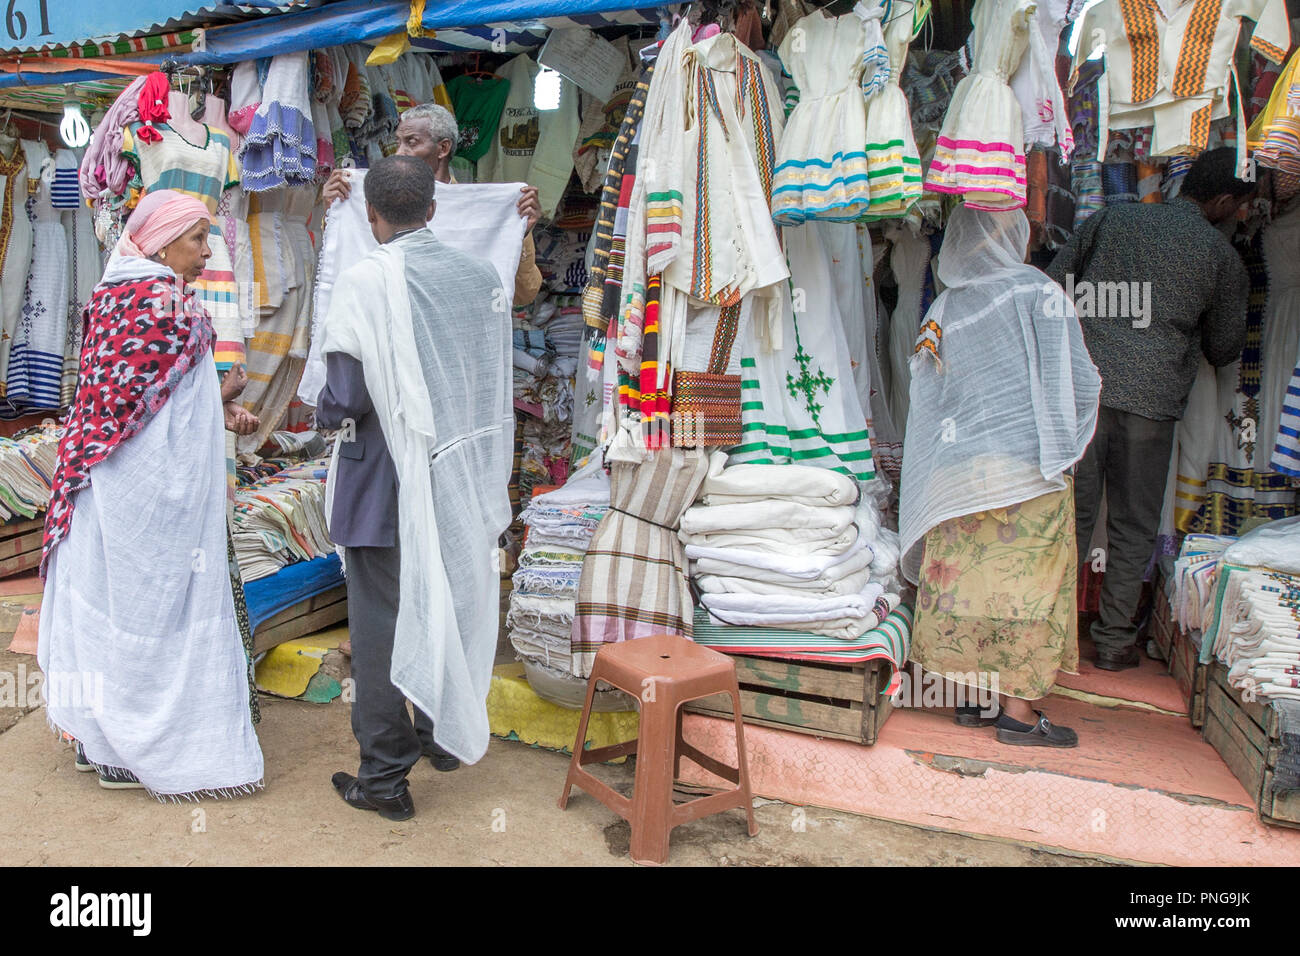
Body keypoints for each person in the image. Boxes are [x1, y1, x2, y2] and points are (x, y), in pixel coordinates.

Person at [38, 189, 264, 796]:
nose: (207, 250)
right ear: (162, 241)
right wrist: (220, 398)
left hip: (99, 484)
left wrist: (217, 403)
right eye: (197, 239)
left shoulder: (113, 293)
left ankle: (98, 742)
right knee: (150, 610)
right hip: (143, 493)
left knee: (110, 607)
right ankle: (131, 748)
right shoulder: (163, 302)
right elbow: (147, 411)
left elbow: (130, 403)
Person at [318, 156, 512, 821]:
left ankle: (384, 778)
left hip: (383, 476)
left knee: (378, 624)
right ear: (433, 209)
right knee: (447, 600)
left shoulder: (366, 279)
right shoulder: (479, 275)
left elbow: (344, 398)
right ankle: (441, 735)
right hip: (457, 471)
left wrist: (322, 413)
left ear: (372, 217)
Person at [901, 206, 1101, 748]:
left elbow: (928, 395)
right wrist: (1064, 453)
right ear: (1012, 235)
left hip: (962, 473)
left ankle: (972, 697)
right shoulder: (1035, 293)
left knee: (972, 583)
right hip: (1027, 471)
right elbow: (1072, 382)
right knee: (1026, 588)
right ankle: (1016, 713)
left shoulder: (944, 307)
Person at [1046, 147, 1252, 670]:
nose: (1245, 216)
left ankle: (1049, 636)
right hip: (1151, 405)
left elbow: (1052, 285)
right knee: (1133, 526)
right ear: (1224, 201)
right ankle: (1113, 643)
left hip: (1084, 392)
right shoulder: (1221, 257)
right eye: (1243, 205)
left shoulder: (1113, 218)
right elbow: (1225, 348)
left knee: (1070, 516)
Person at [322, 102, 543, 308]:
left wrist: (520, 235)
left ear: (443, 148)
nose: (399, 153)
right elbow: (349, 260)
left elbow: (524, 294)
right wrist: (336, 212)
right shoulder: (378, 199)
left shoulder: (482, 215)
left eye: (411, 142)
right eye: (398, 142)